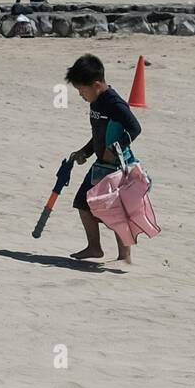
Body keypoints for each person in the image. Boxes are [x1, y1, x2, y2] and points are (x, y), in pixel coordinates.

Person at [65, 54, 142, 263]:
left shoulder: (114, 103)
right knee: (82, 203)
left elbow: (135, 128)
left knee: (116, 210)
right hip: (100, 165)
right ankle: (94, 247)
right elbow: (98, 134)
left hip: (117, 167)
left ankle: (125, 256)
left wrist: (115, 147)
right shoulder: (96, 102)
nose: (81, 95)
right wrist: (85, 151)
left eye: (82, 91)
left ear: (97, 85)